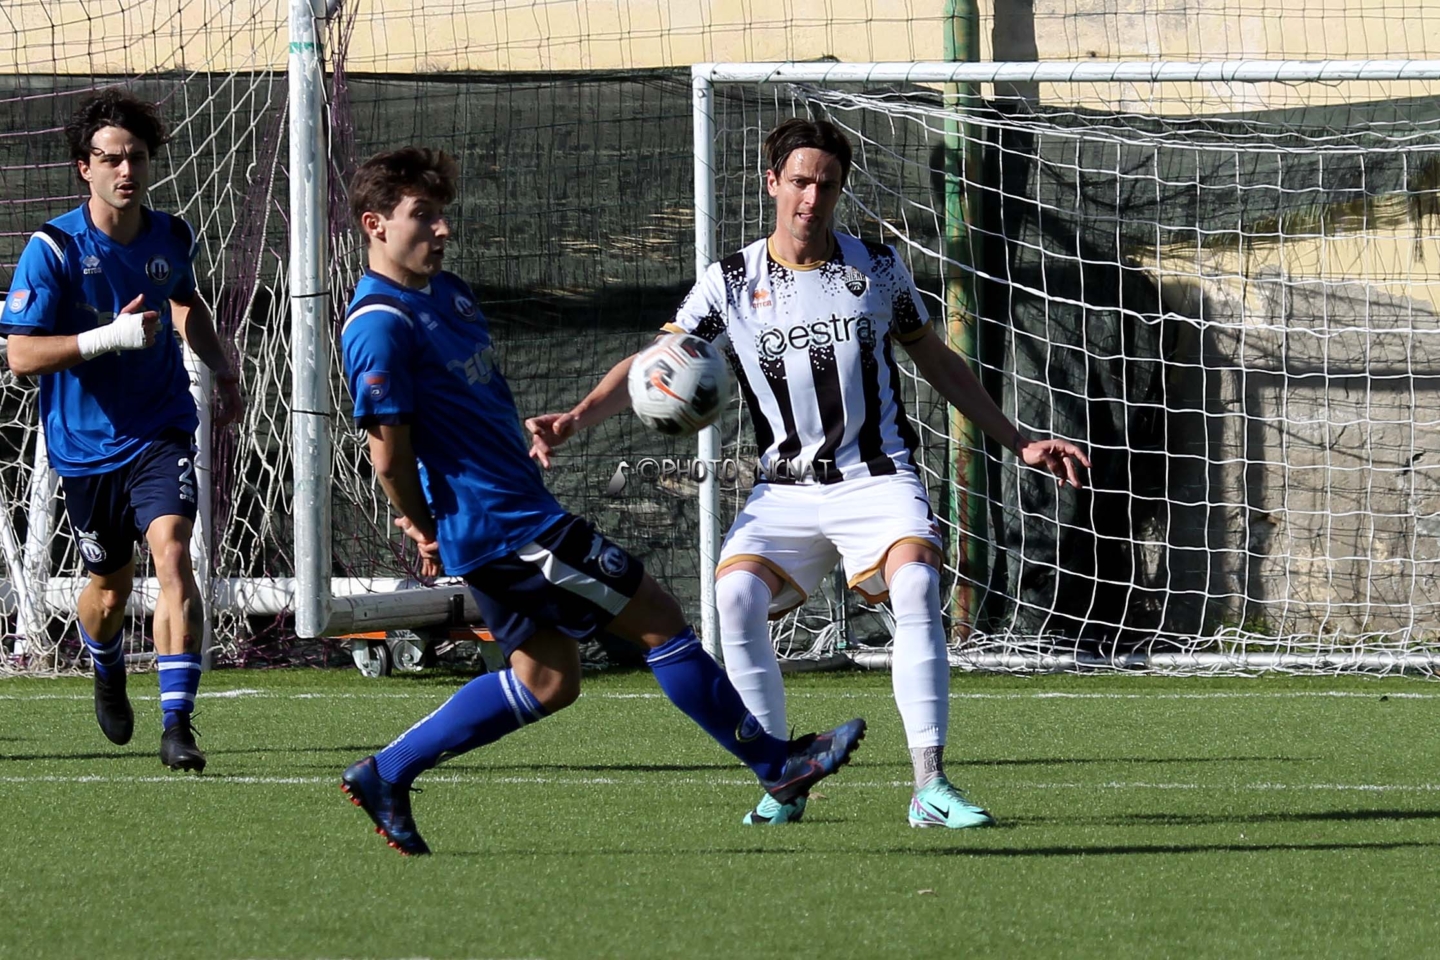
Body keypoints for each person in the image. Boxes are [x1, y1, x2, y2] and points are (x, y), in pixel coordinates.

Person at [528, 118, 1091, 829]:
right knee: (733, 598)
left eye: (825, 183)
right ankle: (782, 774)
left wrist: (1018, 440)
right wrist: (574, 420)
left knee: (916, 583)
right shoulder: (729, 281)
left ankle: (929, 787)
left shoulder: (877, 268)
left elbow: (939, 362)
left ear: (839, 190)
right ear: (772, 183)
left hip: (876, 477)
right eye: (798, 180)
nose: (811, 197)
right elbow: (652, 366)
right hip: (784, 489)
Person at [336, 146, 866, 856]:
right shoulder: (377, 325)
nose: (441, 231)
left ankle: (385, 774)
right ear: (374, 225)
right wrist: (423, 524)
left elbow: (463, 401)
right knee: (659, 618)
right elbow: (389, 455)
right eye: (421, 218)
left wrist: (520, 435)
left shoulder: (446, 294)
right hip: (507, 528)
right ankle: (777, 766)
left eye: (442, 216)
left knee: (549, 680)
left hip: (508, 511)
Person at [1, 90, 244, 771]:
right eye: (110, 158)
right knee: (108, 588)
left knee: (173, 556)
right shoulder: (52, 248)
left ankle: (178, 726)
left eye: (136, 157)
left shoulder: (172, 235)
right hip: (83, 448)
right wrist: (108, 336)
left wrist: (223, 369)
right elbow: (21, 357)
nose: (126, 170)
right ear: (84, 167)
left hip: (160, 429)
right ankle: (105, 663)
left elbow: (187, 303)